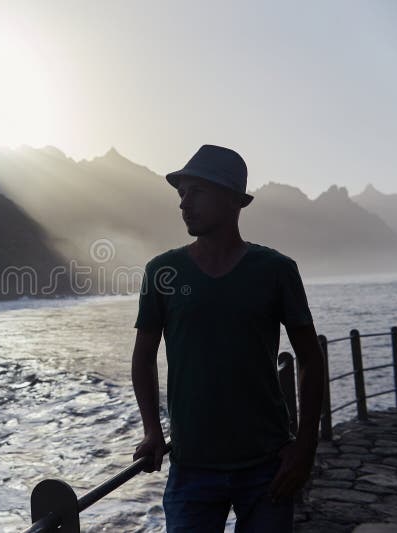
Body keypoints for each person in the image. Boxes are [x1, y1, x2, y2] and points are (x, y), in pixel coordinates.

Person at [131, 144, 325, 532]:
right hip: (190, 467)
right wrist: (152, 429)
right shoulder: (162, 271)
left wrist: (305, 447)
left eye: (197, 192)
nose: (184, 203)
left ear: (234, 200)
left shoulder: (276, 270)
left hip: (268, 465)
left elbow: (310, 358)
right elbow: (143, 356)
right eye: (181, 193)